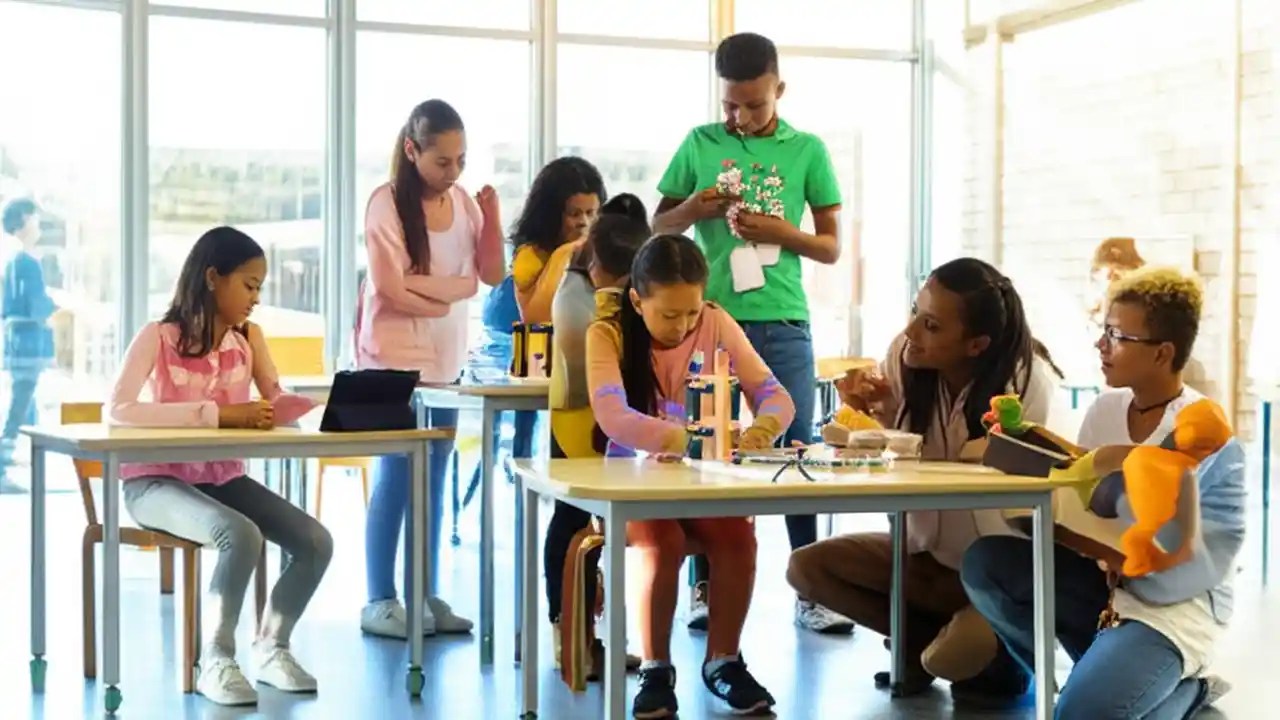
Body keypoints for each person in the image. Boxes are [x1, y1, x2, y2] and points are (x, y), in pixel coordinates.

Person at [962, 266, 1242, 718]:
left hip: (1173, 604)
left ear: (1162, 353)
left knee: (1083, 715)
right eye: (1102, 330)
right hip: (1109, 589)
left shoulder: (1199, 429)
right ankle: (1093, 674)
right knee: (986, 564)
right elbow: (1085, 507)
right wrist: (1026, 447)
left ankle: (1189, 691)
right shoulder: (1106, 408)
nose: (1100, 344)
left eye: (1115, 334)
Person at [785, 257, 1063, 704]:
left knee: (983, 689)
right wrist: (877, 413)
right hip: (925, 557)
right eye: (916, 312)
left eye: (931, 325)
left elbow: (1013, 478)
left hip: (994, 574)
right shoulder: (907, 355)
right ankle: (925, 648)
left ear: (976, 345)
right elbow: (896, 452)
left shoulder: (1027, 381)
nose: (912, 331)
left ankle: (996, 647)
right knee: (806, 567)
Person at [652, 30, 851, 635]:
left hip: (784, 319)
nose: (739, 117)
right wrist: (695, 211)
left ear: (779, 90)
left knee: (796, 446)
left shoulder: (809, 151)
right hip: (708, 320)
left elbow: (831, 247)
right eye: (729, 106)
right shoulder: (699, 143)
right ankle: (703, 587)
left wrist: (777, 230)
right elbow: (659, 225)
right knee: (703, 448)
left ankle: (809, 588)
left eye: (753, 105)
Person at [110, 227, 331, 706]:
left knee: (315, 542)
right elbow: (120, 410)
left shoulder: (247, 342)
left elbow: (276, 401)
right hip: (154, 482)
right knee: (242, 534)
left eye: (259, 288)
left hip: (221, 479)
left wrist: (313, 402)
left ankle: (272, 647)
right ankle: (215, 657)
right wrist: (219, 414)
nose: (255, 298)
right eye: (249, 285)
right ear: (213, 277)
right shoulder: (158, 338)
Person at [587, 233, 793, 718]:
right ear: (637, 301)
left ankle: (723, 661)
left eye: (691, 313)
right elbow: (613, 418)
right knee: (664, 542)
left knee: (737, 534)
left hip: (700, 482)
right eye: (669, 315)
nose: (683, 327)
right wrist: (688, 438)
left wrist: (764, 426)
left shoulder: (717, 322)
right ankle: (656, 667)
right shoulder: (608, 334)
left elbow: (776, 395)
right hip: (629, 486)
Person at [358, 99, 505, 639]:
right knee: (397, 475)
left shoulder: (464, 203)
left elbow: (488, 276)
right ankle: (380, 598)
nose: (454, 172)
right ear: (412, 150)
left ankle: (424, 594)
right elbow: (389, 288)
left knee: (436, 477)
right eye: (443, 161)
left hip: (445, 363)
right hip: (390, 360)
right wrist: (448, 295)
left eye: (461, 160)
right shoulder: (386, 205)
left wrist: (492, 218)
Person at [543, 192, 649, 681]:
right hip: (577, 422)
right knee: (572, 521)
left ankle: (594, 635)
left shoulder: (616, 286)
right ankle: (568, 635)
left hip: (619, 423)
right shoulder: (572, 292)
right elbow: (584, 362)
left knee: (601, 531)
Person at [1, 198, 56, 473]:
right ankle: (2, 465)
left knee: (27, 402)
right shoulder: (26, 262)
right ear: (23, 220)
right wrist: (55, 303)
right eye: (34, 218)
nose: (37, 225)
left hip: (16, 344)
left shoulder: (11, 260)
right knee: (21, 404)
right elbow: (37, 306)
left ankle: (26, 462)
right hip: (28, 345)